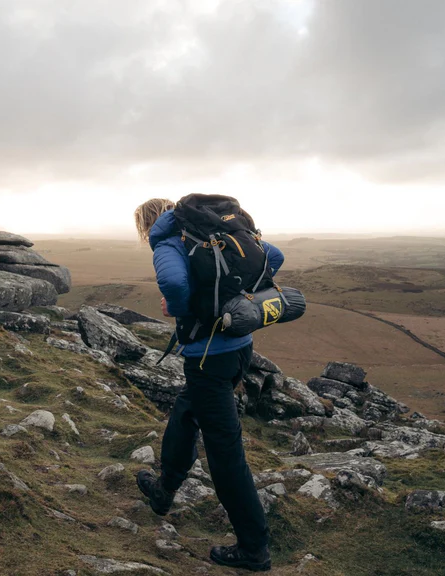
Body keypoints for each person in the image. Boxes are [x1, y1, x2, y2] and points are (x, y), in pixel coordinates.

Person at [132, 198, 285, 572]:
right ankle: (164, 491)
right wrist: (234, 301)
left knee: (225, 452)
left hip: (207, 357)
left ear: (147, 224)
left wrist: (180, 306)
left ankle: (253, 548)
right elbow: (274, 257)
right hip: (239, 349)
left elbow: (171, 281)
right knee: (187, 412)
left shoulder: (169, 240)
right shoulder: (214, 231)